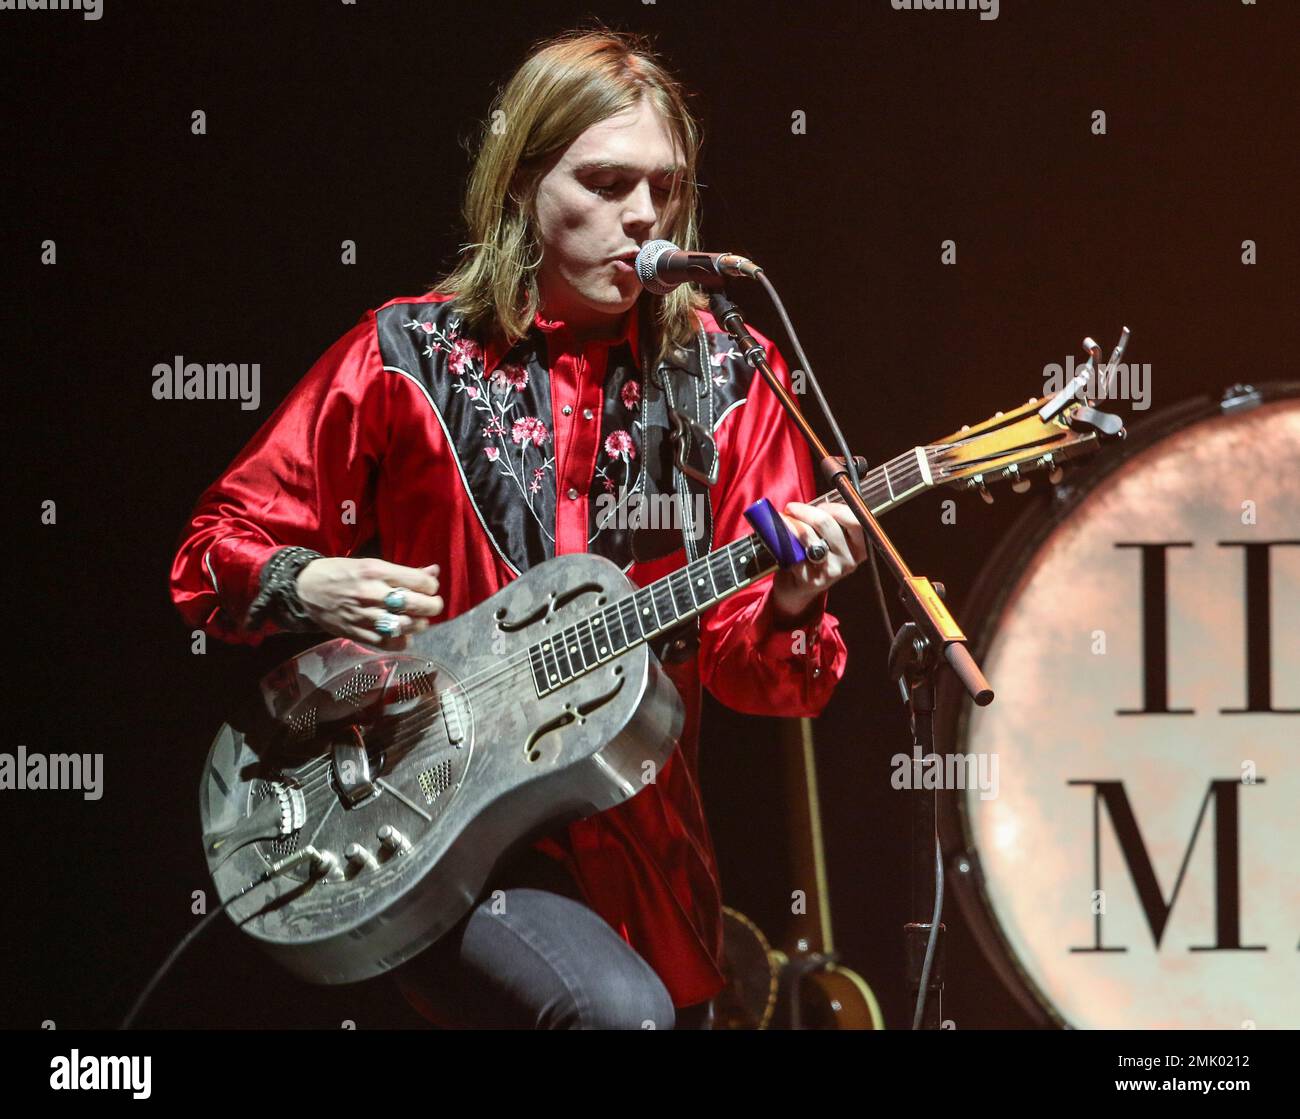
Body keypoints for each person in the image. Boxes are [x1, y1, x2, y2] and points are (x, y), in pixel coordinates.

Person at [170, 27, 866, 1029]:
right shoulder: (406, 357)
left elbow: (755, 675)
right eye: (606, 180)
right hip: (423, 821)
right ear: (521, 184)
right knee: (615, 1015)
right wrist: (305, 582)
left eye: (664, 189)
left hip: (645, 858)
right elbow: (209, 550)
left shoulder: (728, 375)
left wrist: (796, 596)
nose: (640, 215)